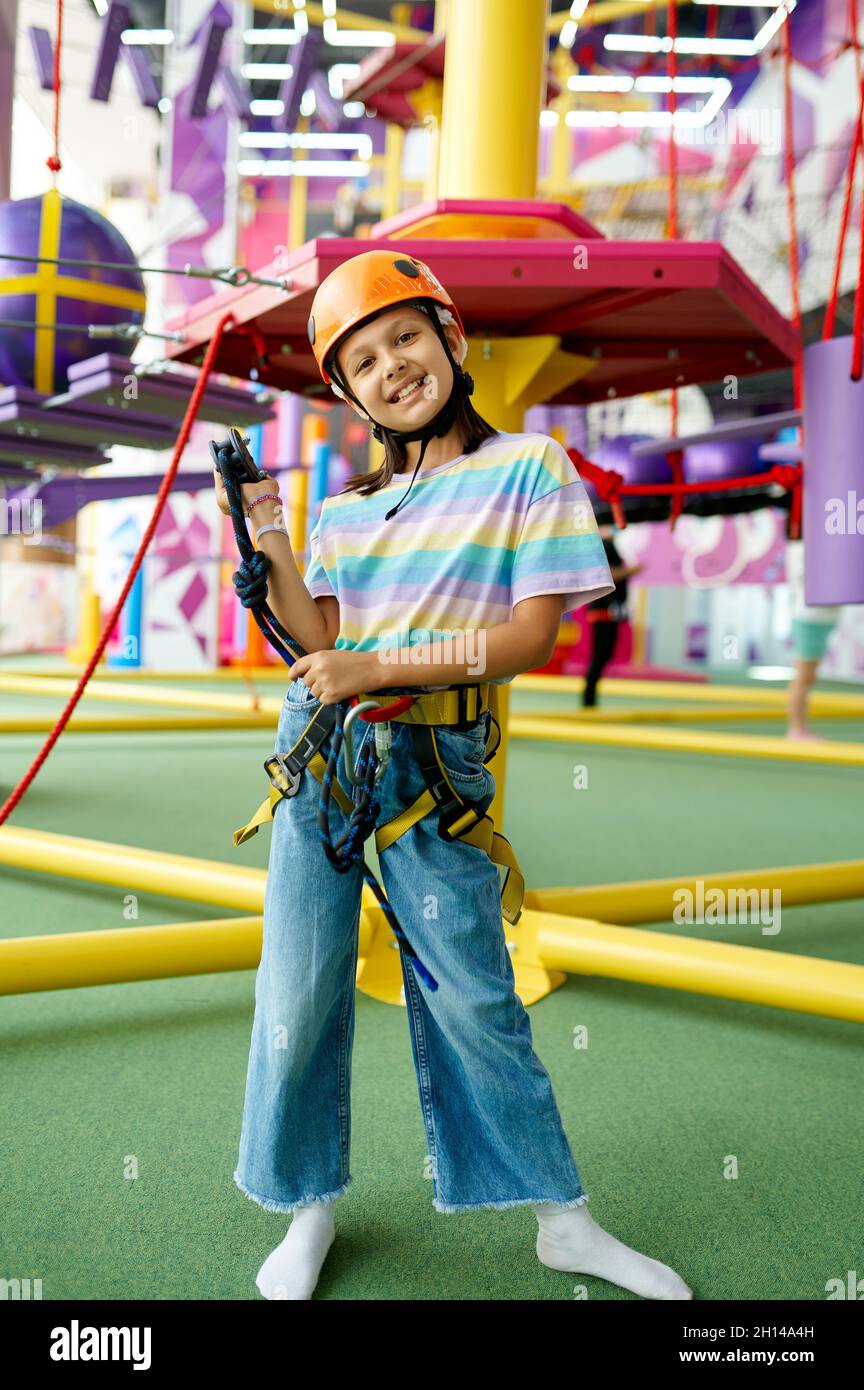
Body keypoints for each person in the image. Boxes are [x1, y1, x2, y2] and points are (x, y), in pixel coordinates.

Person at [215, 250, 693, 1302]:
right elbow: (318, 637)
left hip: (436, 761)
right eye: (363, 363)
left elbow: (527, 637)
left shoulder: (533, 469)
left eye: (404, 339)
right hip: (328, 756)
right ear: (346, 396)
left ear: (451, 339)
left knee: (478, 993)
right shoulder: (345, 508)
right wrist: (267, 545)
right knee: (296, 983)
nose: (392, 368)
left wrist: (379, 664)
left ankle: (561, 1219)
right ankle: (310, 1204)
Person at [785, 535, 840, 741]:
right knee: (804, 676)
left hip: (821, 616)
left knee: (808, 676)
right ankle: (796, 729)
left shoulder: (819, 551)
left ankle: (798, 728)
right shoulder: (803, 551)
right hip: (811, 617)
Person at [582, 524, 642, 706]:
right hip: (603, 611)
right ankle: (589, 698)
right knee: (600, 655)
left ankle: (590, 697)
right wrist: (631, 571)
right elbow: (608, 574)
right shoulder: (604, 546)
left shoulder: (607, 546)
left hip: (610, 611)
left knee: (604, 655)